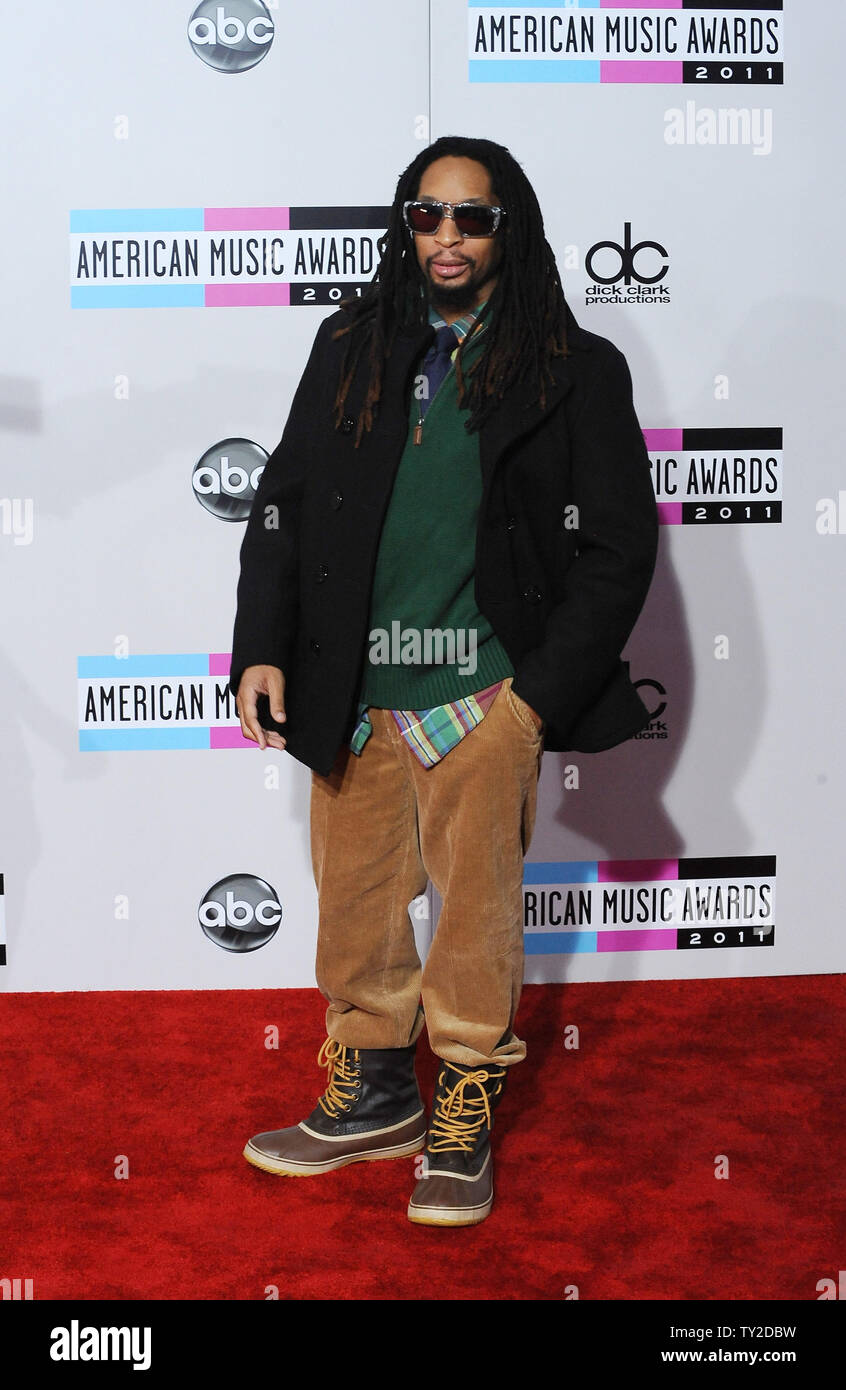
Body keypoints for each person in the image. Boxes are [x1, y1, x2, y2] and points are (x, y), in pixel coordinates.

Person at [229, 135, 658, 1227]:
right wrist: (261, 645)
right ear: (403, 226)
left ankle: (462, 1103)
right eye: (427, 216)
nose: (448, 237)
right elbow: (280, 505)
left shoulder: (575, 367)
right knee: (357, 909)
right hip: (353, 691)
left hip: (485, 693)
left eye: (472, 217)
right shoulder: (351, 346)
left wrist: (535, 697)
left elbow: (617, 549)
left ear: (508, 227)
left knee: (474, 921)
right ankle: (375, 1098)